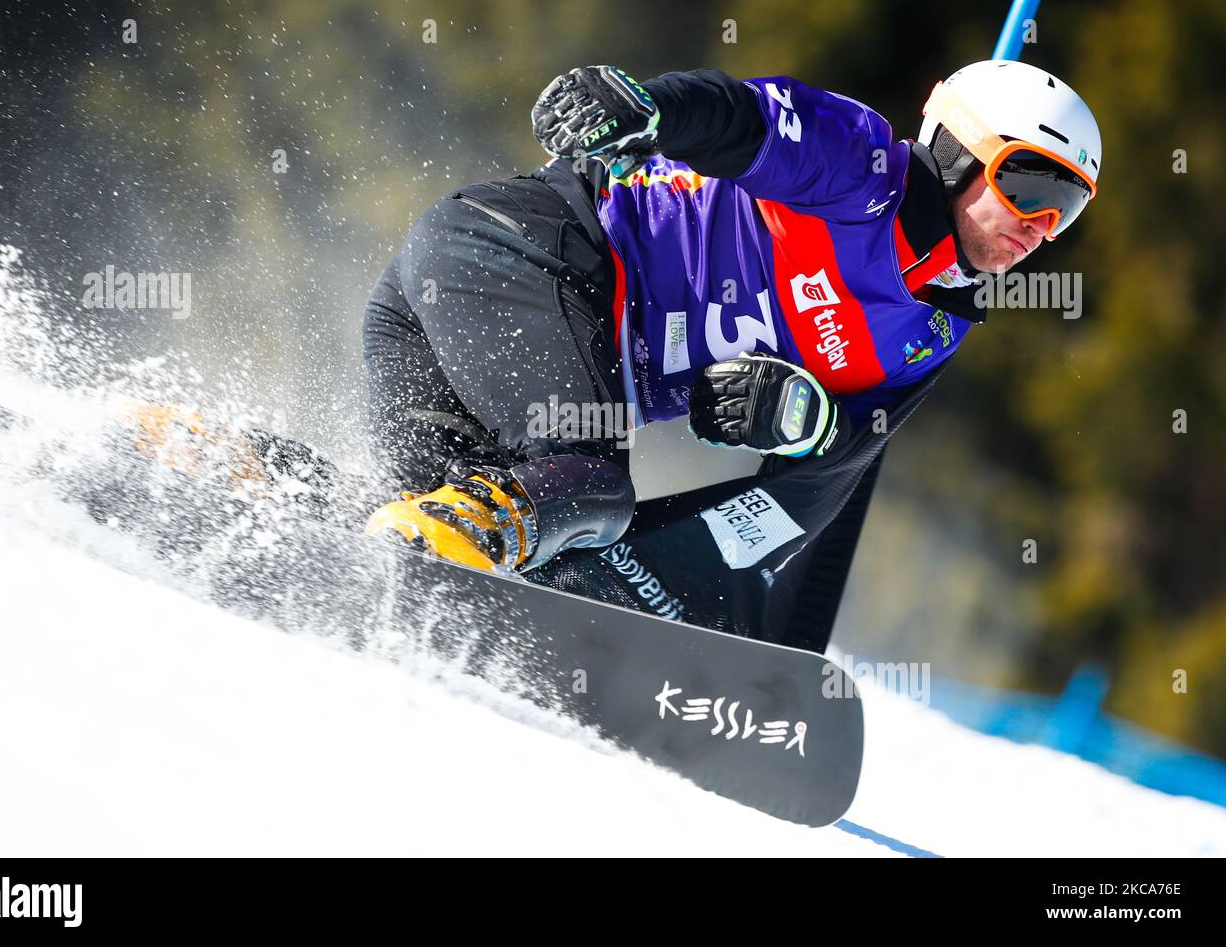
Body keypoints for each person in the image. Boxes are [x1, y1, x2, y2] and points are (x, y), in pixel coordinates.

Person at [360, 60, 1102, 652]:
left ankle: (266, 483)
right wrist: (648, 108)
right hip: (516, 255)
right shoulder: (860, 165)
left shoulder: (935, 327)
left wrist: (804, 425)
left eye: (1064, 210)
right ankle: (436, 544)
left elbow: (831, 470)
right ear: (957, 149)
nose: (1039, 226)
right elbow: (735, 117)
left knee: (449, 506)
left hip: (449, 309)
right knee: (588, 486)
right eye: (1028, 184)